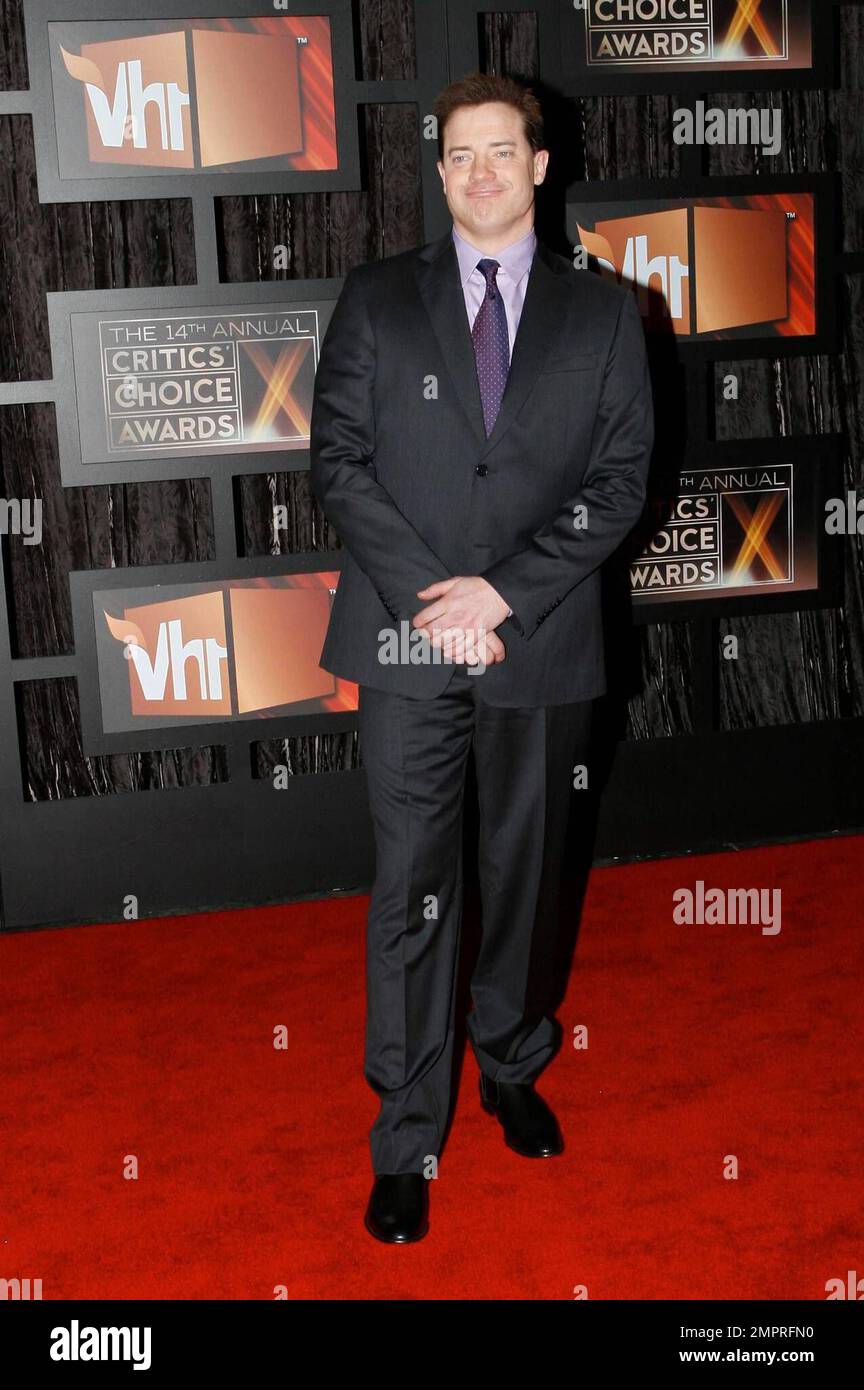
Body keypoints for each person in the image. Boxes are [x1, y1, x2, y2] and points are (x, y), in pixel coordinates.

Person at [310, 71, 654, 1243]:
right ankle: (407, 1130)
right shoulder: (373, 299)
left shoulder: (607, 315)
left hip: (543, 637)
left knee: (528, 870)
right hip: (407, 640)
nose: (481, 172)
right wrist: (434, 599)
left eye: (501, 151)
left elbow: (620, 485)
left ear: (540, 164)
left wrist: (504, 591)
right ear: (441, 169)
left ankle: (510, 1060)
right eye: (459, 155)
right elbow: (340, 463)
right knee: (413, 887)